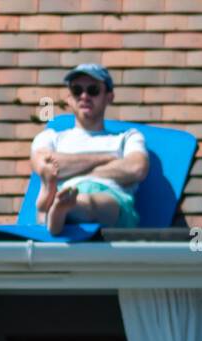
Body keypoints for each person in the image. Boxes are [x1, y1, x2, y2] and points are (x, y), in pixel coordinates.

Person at [31, 62, 149, 236]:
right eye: (77, 90)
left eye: (93, 90)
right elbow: (44, 166)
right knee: (68, 197)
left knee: (88, 202)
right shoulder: (49, 137)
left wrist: (69, 170)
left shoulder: (127, 137)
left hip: (110, 198)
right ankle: (60, 208)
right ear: (69, 98)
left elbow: (136, 168)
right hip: (66, 192)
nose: (84, 96)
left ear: (109, 97)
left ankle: (56, 209)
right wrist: (106, 159)